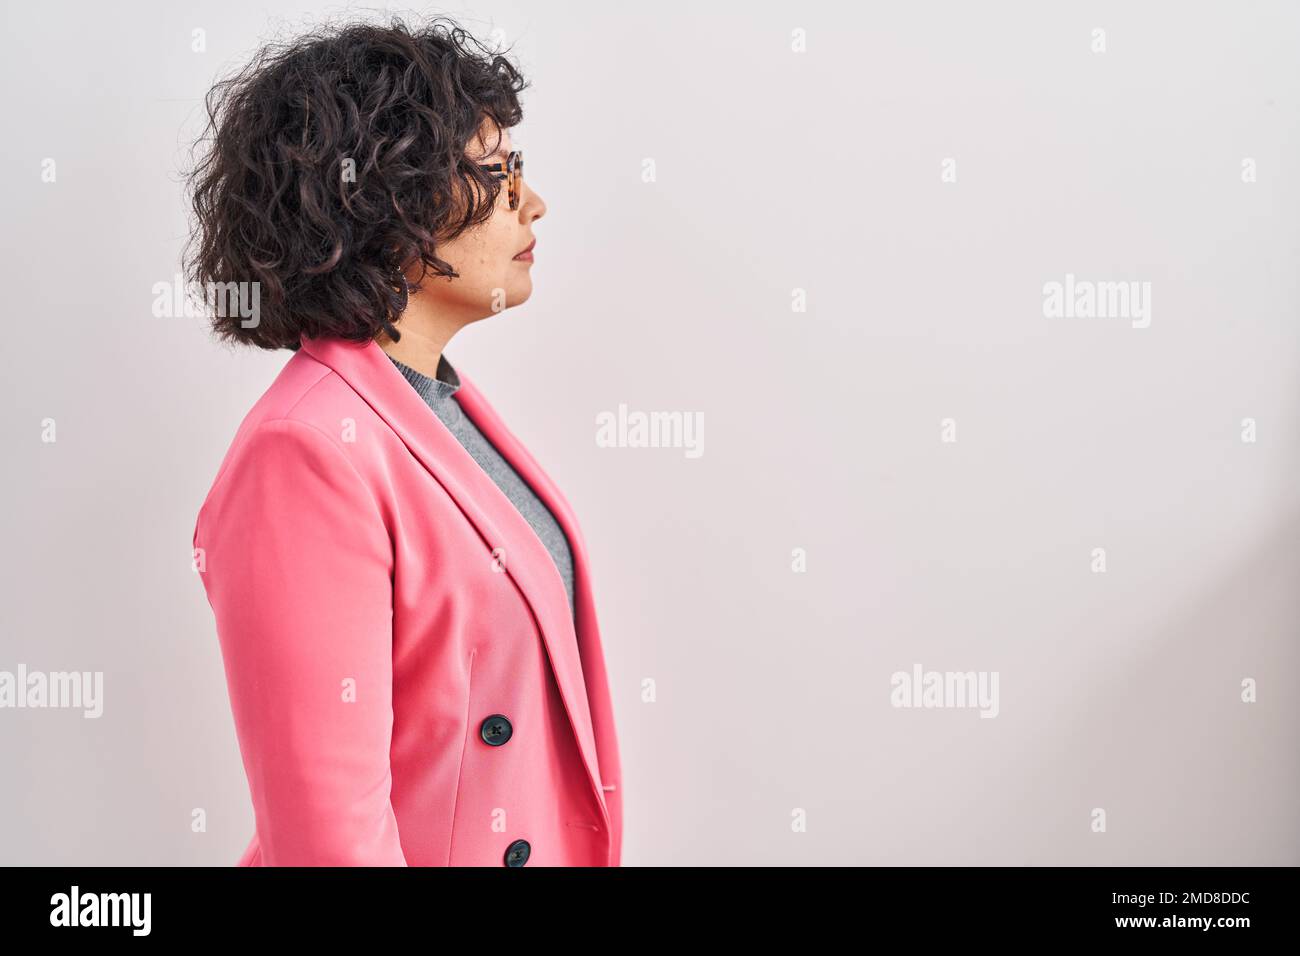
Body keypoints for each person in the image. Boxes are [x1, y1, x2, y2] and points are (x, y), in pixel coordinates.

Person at [185, 16, 622, 866]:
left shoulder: (442, 407)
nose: (531, 204)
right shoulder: (303, 451)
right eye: (495, 176)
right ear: (385, 201)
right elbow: (328, 839)